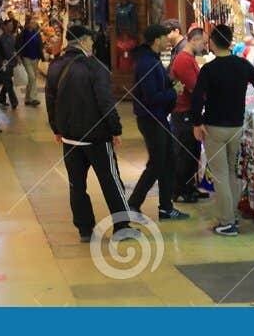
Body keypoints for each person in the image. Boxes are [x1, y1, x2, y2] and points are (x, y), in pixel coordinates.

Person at [46, 23, 137, 244]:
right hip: (97, 137)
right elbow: (106, 102)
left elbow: (50, 100)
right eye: (91, 41)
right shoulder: (95, 67)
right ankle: (122, 226)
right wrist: (115, 129)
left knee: (77, 185)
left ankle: (85, 229)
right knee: (110, 181)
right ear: (85, 41)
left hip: (70, 138)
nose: (93, 44)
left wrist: (57, 128)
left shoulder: (55, 66)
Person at [191, 24, 254, 236]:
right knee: (232, 172)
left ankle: (227, 222)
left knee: (220, 174)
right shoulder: (243, 65)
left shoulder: (208, 70)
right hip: (236, 127)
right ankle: (231, 217)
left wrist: (196, 122)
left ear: (212, 42)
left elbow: (196, 97)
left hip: (214, 128)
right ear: (229, 42)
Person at [127, 22, 187, 221]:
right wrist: (173, 91)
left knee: (167, 161)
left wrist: (169, 84)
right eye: (164, 37)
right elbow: (151, 96)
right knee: (157, 163)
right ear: (156, 40)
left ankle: (165, 207)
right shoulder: (146, 63)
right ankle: (134, 203)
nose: (168, 40)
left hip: (157, 117)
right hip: (151, 119)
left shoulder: (151, 59)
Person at [169, 25, 208, 203]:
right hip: (183, 112)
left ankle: (189, 187)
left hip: (188, 111)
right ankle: (180, 190)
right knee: (185, 153)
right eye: (204, 42)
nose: (205, 46)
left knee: (193, 152)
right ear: (194, 40)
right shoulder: (184, 60)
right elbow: (194, 88)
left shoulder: (188, 58)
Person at [15, 15, 45, 105]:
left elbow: (40, 43)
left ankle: (27, 98)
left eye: (34, 22)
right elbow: (18, 45)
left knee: (32, 78)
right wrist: (18, 57)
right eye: (31, 22)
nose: (33, 24)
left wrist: (41, 54)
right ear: (27, 23)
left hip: (35, 57)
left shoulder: (37, 32)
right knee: (31, 77)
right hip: (26, 57)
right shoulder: (23, 34)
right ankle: (33, 98)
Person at [0, 18, 20, 109]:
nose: (11, 27)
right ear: (5, 26)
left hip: (12, 63)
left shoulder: (13, 37)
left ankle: (2, 98)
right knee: (9, 83)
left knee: (7, 82)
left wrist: (17, 58)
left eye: (12, 26)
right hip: (5, 64)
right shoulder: (1, 39)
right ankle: (14, 102)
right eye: (9, 26)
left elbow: (14, 50)